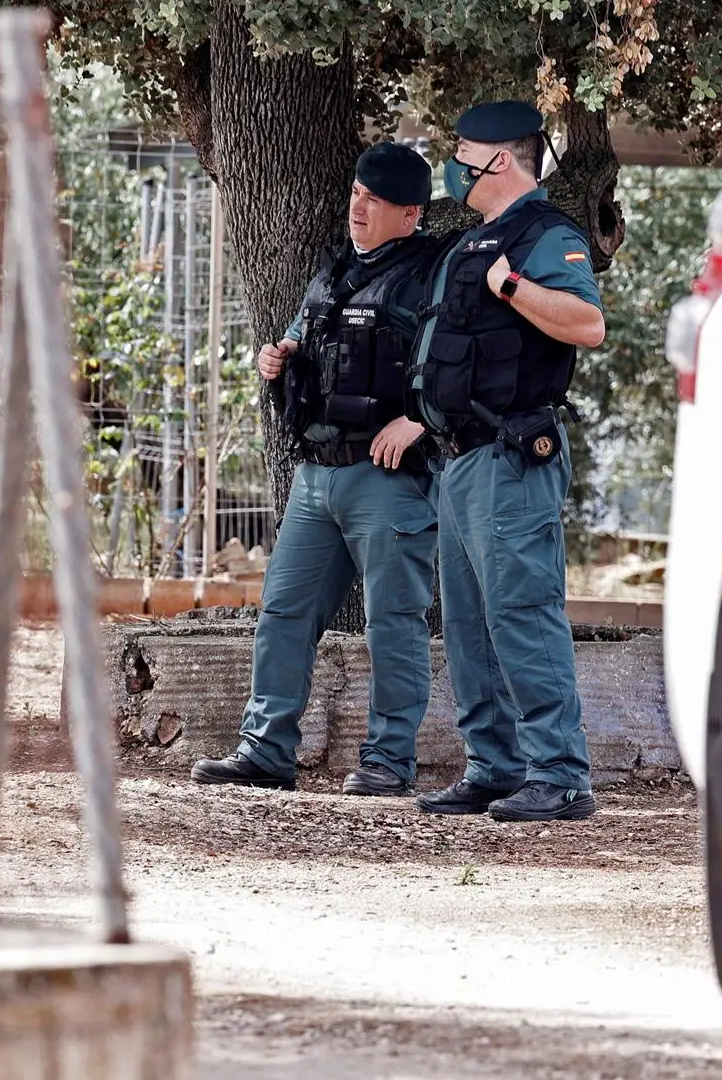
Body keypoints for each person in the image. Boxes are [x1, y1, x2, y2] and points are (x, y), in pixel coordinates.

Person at [191, 141, 444, 798]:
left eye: (375, 201)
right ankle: (265, 749)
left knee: (393, 623)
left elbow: (459, 366)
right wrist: (276, 360)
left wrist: (421, 421)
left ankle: (389, 760)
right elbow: (306, 344)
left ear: (410, 215)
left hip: (388, 480)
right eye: (357, 193)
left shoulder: (432, 277)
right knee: (283, 612)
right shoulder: (332, 273)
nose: (358, 207)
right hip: (316, 476)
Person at [407, 100, 606, 823]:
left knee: (523, 612)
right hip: (458, 462)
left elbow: (589, 324)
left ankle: (560, 775)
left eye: (462, 153)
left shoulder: (545, 235)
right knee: (467, 625)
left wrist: (514, 287)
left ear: (499, 160)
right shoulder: (471, 242)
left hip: (512, 458)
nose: (453, 166)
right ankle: (494, 766)